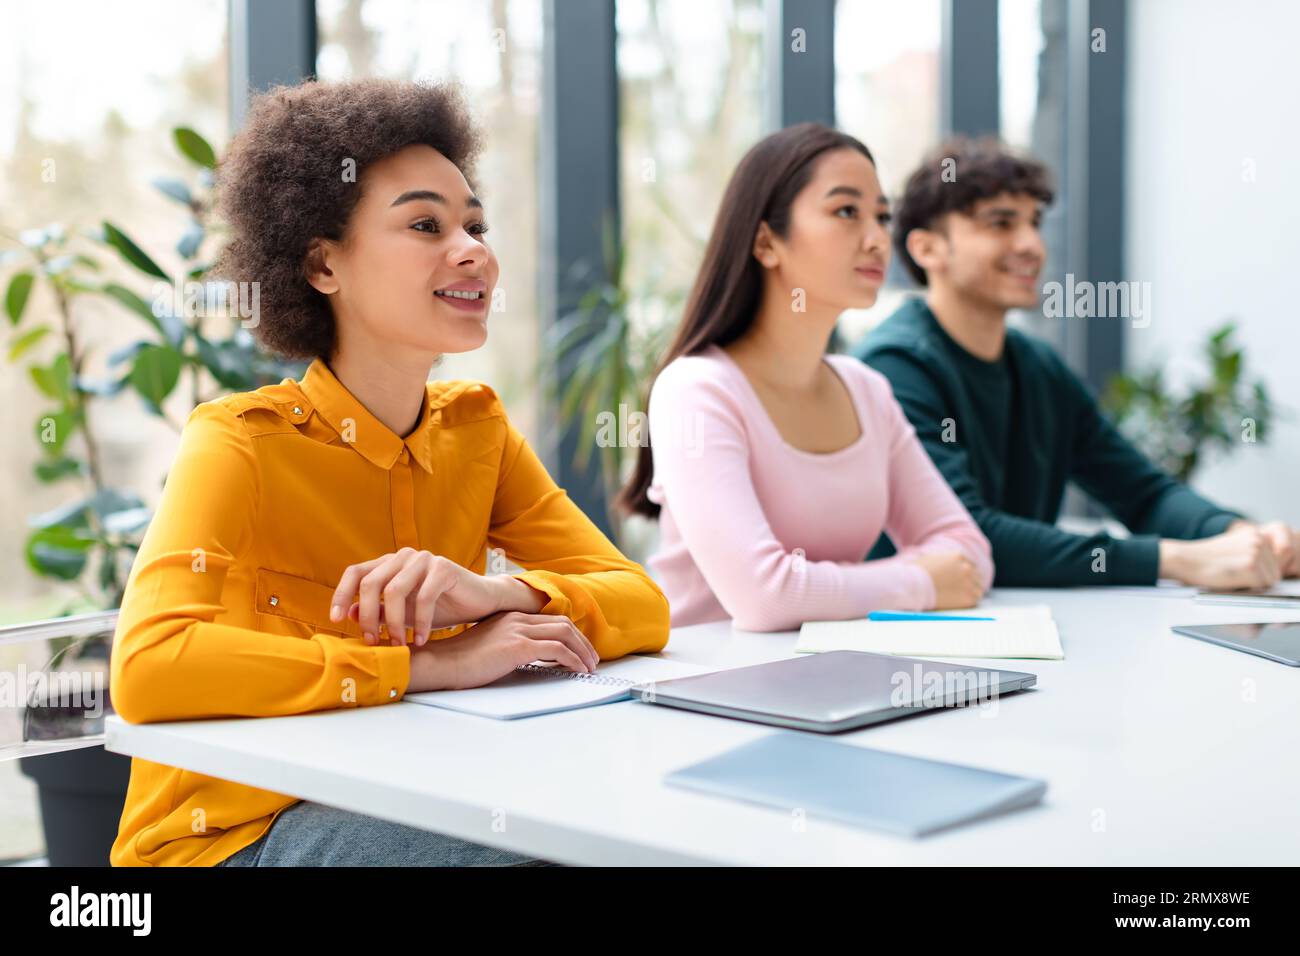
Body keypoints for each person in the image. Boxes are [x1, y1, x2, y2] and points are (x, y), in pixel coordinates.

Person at [109, 78, 670, 867]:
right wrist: (424, 665)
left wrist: (499, 593)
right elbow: (147, 666)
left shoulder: (476, 429)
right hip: (235, 837)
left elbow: (642, 603)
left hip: (414, 786)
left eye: (475, 223)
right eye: (424, 224)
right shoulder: (238, 443)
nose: (473, 248)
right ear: (323, 265)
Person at [855, 136, 1299, 589]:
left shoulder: (1038, 367)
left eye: (1034, 223)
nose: (1032, 245)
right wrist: (1173, 559)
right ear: (928, 249)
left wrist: (1237, 534)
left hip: (1020, 627)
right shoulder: (895, 366)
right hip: (909, 640)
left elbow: (1143, 494)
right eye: (1000, 223)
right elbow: (967, 536)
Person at [617, 123, 992, 633]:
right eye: (845, 211)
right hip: (706, 693)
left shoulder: (865, 388)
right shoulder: (697, 390)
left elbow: (968, 551)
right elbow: (765, 598)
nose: (877, 238)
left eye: (883, 217)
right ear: (767, 241)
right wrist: (923, 582)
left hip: (830, 680)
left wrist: (826, 588)